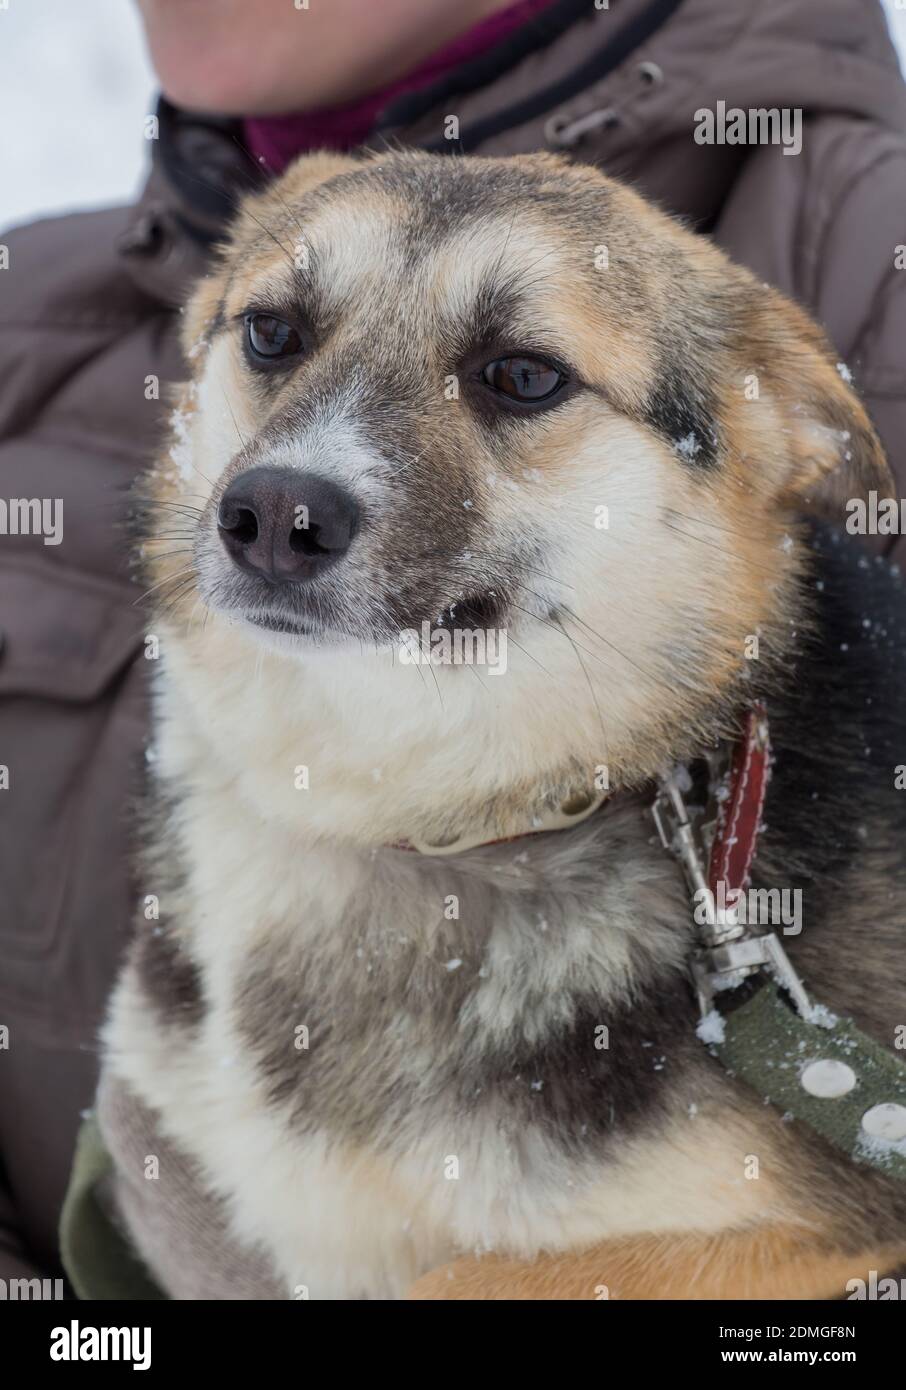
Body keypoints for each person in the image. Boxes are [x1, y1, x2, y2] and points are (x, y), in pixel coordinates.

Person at [1, 0, 904, 1288]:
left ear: (773, 441)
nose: (285, 489)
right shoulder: (24, 324)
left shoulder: (870, 259)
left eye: (518, 380)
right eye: (277, 337)